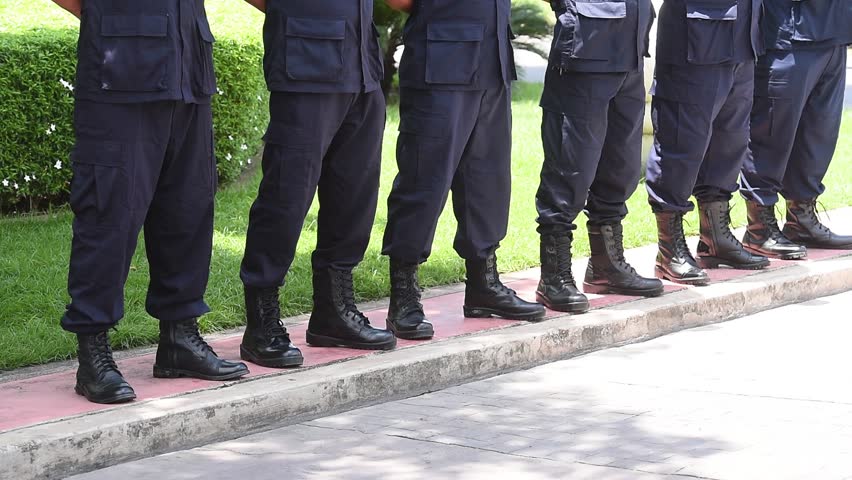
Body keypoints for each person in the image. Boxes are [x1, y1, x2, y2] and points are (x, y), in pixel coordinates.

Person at [52, 0, 249, 404]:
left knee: (188, 209)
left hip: (189, 68)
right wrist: (108, 17)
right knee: (109, 214)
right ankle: (94, 354)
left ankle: (180, 338)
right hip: (120, 73)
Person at [239, 0, 396, 362]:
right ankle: (262, 322)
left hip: (361, 63)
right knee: (287, 195)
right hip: (306, 60)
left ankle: (333, 312)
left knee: (355, 194)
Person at [381, 0, 545, 341]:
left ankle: (483, 283)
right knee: (424, 179)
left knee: (487, 178)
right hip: (441, 59)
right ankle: (404, 295)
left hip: (491, 58)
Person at [534, 0, 663, 314]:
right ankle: (554, 277)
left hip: (630, 44)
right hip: (585, 46)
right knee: (570, 168)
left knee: (621, 166)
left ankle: (606, 267)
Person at [645, 0, 768, 285]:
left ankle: (715, 237)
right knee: (682, 143)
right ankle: (669, 250)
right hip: (696, 31)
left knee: (730, 140)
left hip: (742, 31)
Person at [739, 0, 852, 257]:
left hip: (835, 30)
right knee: (772, 134)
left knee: (818, 134)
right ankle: (759, 227)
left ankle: (801, 218)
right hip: (787, 32)